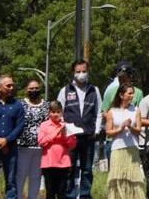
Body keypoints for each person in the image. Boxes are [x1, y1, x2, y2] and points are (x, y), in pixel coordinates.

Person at [56, 60, 102, 199]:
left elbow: (99, 111)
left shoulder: (95, 90)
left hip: (88, 136)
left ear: (88, 72)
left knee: (87, 169)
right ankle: (69, 195)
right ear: (73, 72)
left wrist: (97, 130)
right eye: (78, 71)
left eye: (84, 71)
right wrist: (65, 128)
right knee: (69, 169)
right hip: (71, 137)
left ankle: (85, 195)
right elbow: (59, 112)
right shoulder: (65, 90)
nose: (81, 74)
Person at [105, 85, 146, 199]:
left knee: (134, 178)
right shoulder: (112, 112)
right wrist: (120, 128)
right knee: (118, 177)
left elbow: (138, 131)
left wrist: (131, 127)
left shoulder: (136, 110)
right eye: (129, 93)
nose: (132, 96)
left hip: (132, 148)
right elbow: (108, 132)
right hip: (117, 149)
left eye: (132, 93)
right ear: (121, 95)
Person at [16, 79, 49, 199]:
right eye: (31, 88)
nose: (34, 90)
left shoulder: (46, 105)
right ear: (26, 90)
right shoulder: (19, 104)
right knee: (20, 176)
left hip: (40, 148)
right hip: (22, 147)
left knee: (36, 177)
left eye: (36, 88)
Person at [38, 101, 77, 199]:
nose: (56, 114)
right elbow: (41, 142)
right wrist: (56, 131)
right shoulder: (44, 125)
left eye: (58, 112)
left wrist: (65, 135)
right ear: (49, 113)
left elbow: (72, 145)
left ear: (62, 112)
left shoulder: (66, 126)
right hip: (48, 164)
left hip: (63, 163)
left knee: (62, 192)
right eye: (53, 112)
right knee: (50, 192)